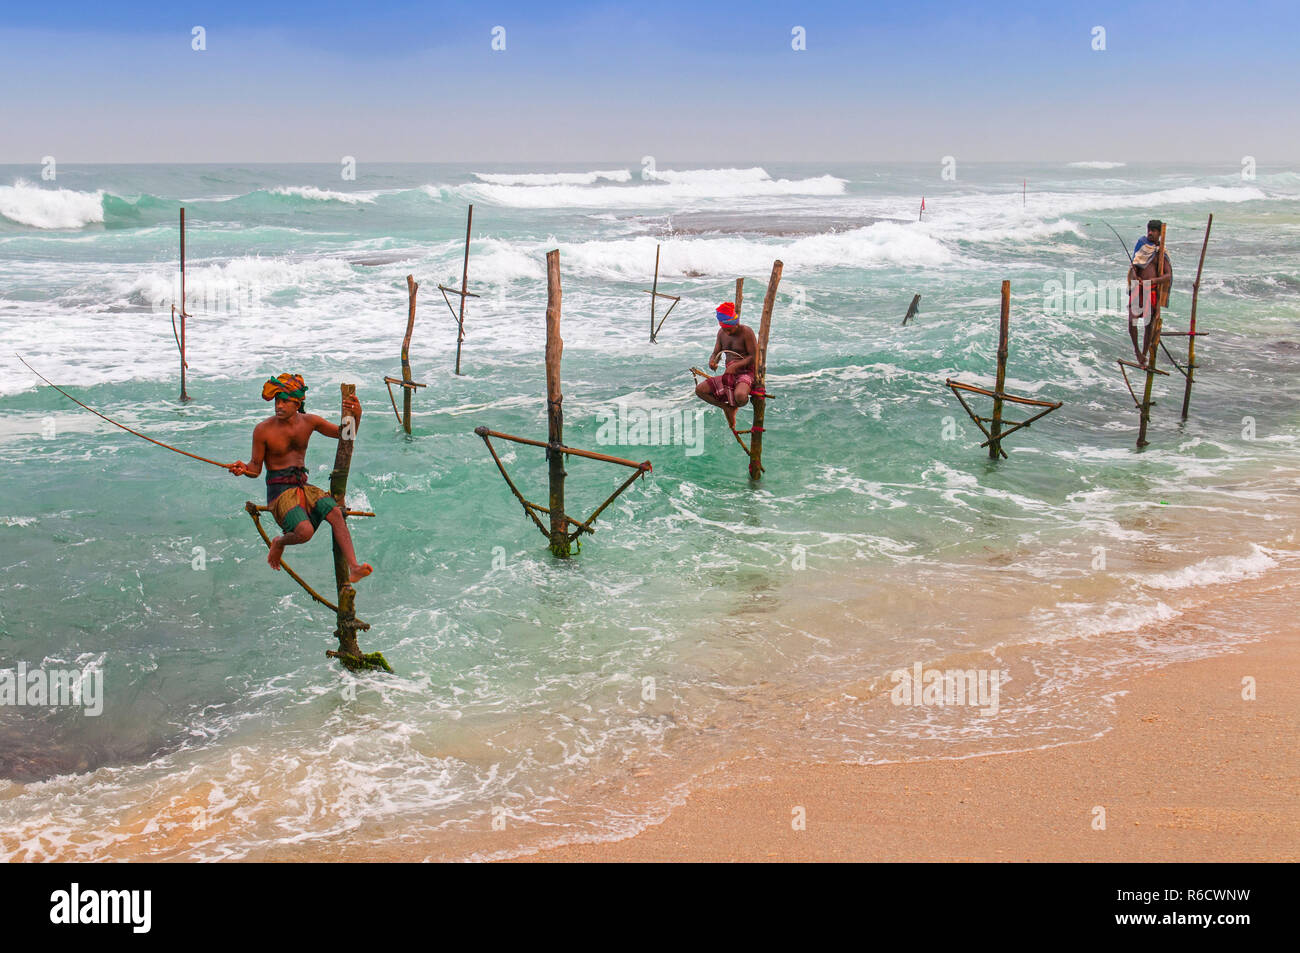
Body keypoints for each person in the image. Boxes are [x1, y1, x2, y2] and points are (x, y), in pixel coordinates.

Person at [227, 373, 373, 582]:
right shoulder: (262, 430)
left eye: (285, 401)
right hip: (279, 494)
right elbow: (255, 468)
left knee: (335, 513)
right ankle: (279, 542)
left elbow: (345, 435)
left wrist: (357, 415)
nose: (279, 405)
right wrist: (243, 468)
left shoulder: (309, 421)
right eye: (277, 400)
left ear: (298, 403)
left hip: (302, 486)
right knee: (305, 532)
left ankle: (354, 567)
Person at [694, 301, 759, 430]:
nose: (727, 332)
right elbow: (715, 352)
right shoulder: (722, 333)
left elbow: (754, 357)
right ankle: (727, 407)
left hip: (746, 373)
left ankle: (736, 401)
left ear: (736, 323)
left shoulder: (746, 332)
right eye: (724, 329)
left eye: (729, 329)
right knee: (700, 390)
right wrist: (713, 361)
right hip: (729, 375)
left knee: (740, 396)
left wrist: (736, 366)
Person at [1127, 219, 1173, 367]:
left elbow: (1168, 275)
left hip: (1150, 290)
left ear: (1160, 233)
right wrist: (1137, 278)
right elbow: (1134, 267)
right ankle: (1137, 352)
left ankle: (1145, 354)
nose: (1150, 233)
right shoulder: (1142, 245)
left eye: (1154, 231)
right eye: (1149, 230)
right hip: (1137, 288)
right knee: (1132, 321)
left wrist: (1153, 281)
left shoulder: (1161, 252)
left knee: (1148, 324)